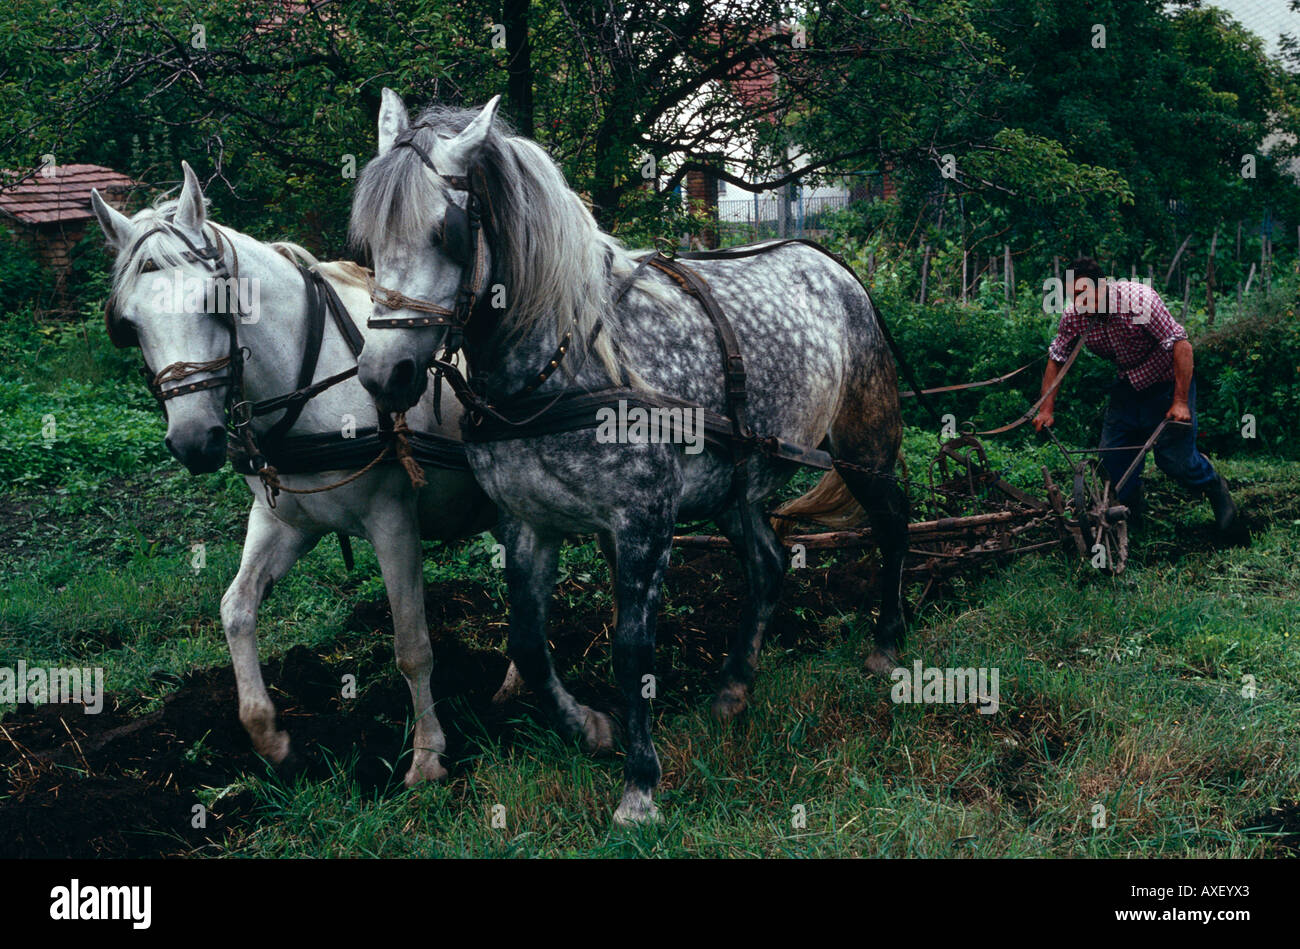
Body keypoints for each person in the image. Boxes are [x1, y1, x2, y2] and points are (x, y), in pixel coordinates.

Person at [1033, 256, 1237, 534]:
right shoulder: (1075, 317)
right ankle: (1130, 520)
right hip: (1128, 388)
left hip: (1167, 384)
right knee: (1113, 467)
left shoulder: (1138, 300)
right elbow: (1057, 358)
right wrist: (1046, 409)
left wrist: (1179, 401)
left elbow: (1181, 345)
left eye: (1083, 294)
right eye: (1073, 295)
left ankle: (1215, 487)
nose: (1078, 302)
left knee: (1174, 461)